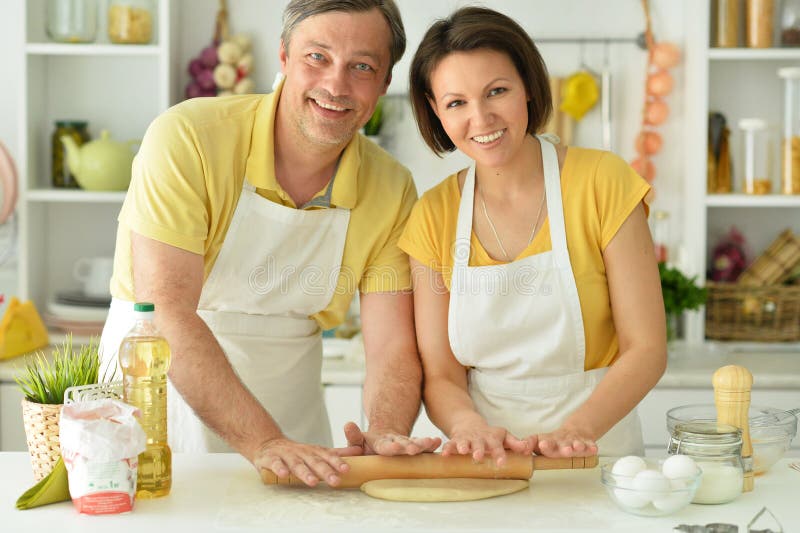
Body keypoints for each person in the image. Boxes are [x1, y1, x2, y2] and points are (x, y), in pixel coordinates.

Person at [99, 0, 440, 487]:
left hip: (293, 427)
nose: (336, 85)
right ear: (283, 56)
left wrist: (385, 432)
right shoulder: (189, 138)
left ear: (385, 84)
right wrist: (262, 441)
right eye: (316, 57)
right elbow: (166, 310)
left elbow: (391, 347)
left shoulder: (391, 189)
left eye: (361, 67)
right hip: (157, 407)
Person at [400, 6, 667, 463]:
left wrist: (577, 430)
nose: (481, 119)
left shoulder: (602, 182)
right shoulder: (432, 216)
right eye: (456, 102)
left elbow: (647, 349)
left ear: (526, 87)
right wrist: (467, 426)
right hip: (489, 461)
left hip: (598, 455)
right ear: (435, 110)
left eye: (496, 91)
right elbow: (442, 374)